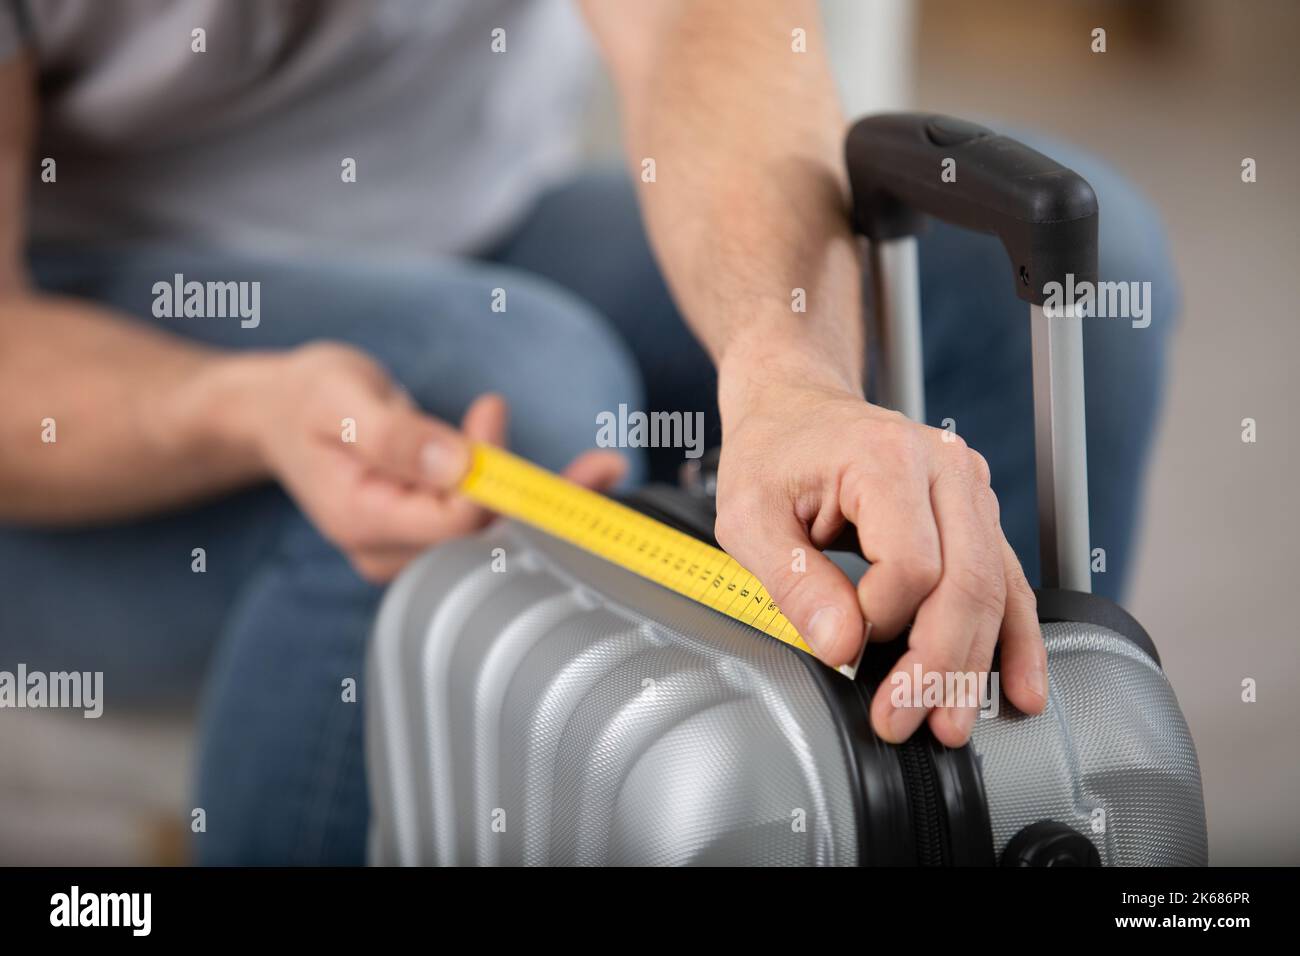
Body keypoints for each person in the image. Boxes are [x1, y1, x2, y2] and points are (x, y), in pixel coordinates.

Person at [0, 0, 1174, 863]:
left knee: (1074, 267)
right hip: (65, 352)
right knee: (521, 387)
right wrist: (245, 408)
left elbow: (698, 26)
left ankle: (974, 807)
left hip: (472, 229)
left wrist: (787, 376)